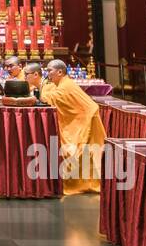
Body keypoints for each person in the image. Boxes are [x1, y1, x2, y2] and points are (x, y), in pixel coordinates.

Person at [39, 59, 107, 195]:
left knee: (83, 152)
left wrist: (41, 86)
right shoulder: (62, 83)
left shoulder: (66, 86)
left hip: (88, 120)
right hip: (82, 118)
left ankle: (86, 184)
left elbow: (48, 98)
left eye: (49, 71)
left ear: (60, 72)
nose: (47, 74)